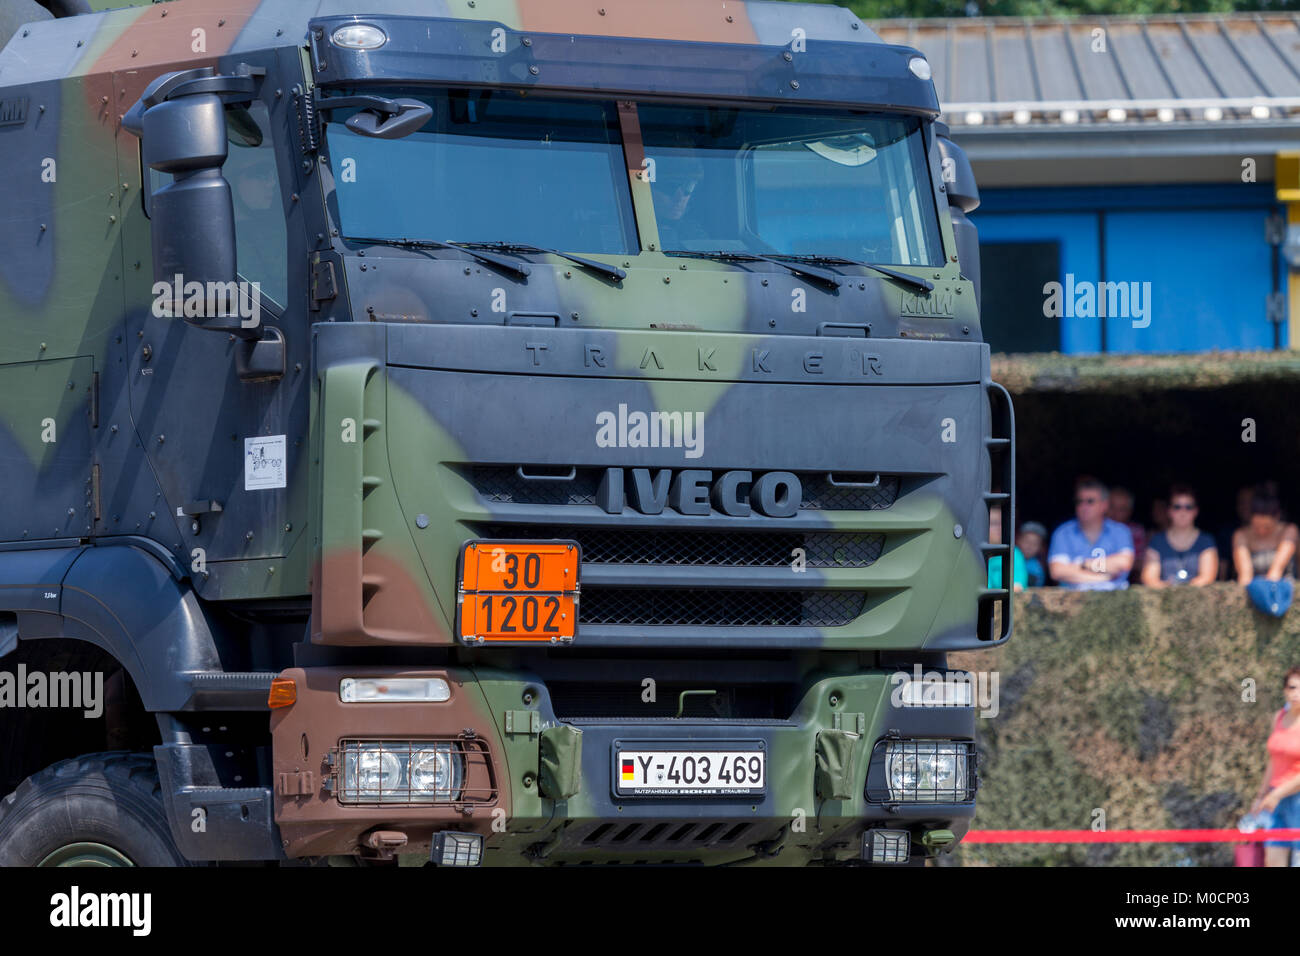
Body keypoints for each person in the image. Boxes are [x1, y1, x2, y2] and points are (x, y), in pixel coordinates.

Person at [1250, 667, 1300, 866]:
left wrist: (1277, 794)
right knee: (1272, 861)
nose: (1296, 693)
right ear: (1285, 690)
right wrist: (1261, 796)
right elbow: (1273, 760)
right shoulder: (1278, 717)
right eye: (1292, 688)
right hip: (1275, 801)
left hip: (1297, 800)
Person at [1047, 479, 1134, 590]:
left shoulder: (1121, 531)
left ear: (1104, 505)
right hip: (1073, 598)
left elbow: (1124, 563)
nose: (1083, 506)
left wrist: (1083, 565)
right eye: (1079, 501)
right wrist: (1102, 577)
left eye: (1090, 501)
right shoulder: (1062, 532)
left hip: (1116, 597)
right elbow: (1057, 571)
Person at [1233, 487, 1298, 617]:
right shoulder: (1241, 535)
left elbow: (1276, 572)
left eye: (1267, 527)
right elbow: (1245, 576)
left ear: (1277, 517)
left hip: (1283, 592)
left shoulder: (1289, 530)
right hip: (1256, 592)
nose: (1261, 531)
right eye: (1257, 527)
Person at [1140, 485, 1218, 587]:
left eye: (1188, 507)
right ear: (1169, 511)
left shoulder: (1206, 541)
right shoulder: (1157, 541)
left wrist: (1184, 591)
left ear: (1196, 511)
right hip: (1164, 595)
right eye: (1177, 507)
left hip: (1197, 595)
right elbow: (1150, 578)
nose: (1183, 512)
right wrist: (1170, 590)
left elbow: (1207, 577)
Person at [1109, 487, 1147, 583]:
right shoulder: (1093, 530)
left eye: (1121, 509)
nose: (1115, 513)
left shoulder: (1136, 531)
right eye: (1112, 507)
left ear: (1129, 511)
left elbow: (1140, 563)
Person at [986, 505, 1026, 592]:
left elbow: (1016, 588)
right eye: (994, 523)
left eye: (1002, 523)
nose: (999, 528)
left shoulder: (1012, 553)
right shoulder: (974, 553)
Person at [1016, 522, 1047, 588]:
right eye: (1026, 541)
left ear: (1040, 548)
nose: (1029, 546)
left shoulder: (1037, 568)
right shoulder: (1006, 558)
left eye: (1035, 543)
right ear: (1017, 540)